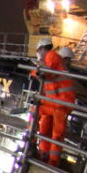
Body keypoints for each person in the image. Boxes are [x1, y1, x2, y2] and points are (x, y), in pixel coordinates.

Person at [32, 37, 77, 166]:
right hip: (56, 101)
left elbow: (47, 73)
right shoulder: (52, 59)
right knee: (45, 125)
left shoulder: (52, 56)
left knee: (57, 133)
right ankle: (44, 153)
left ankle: (51, 159)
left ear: (41, 49)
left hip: (62, 102)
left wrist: (35, 72)